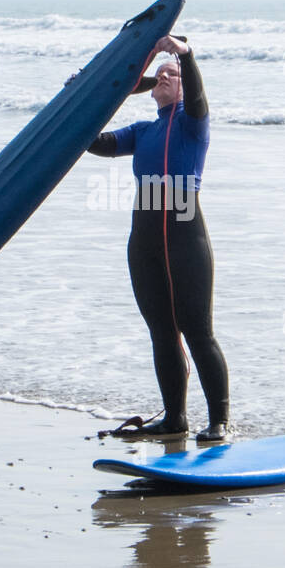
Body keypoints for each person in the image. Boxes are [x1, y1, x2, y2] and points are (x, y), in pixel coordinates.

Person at [87, 35, 230, 442]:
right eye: (160, 74)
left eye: (173, 75)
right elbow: (93, 141)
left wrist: (185, 54)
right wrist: (88, 93)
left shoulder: (193, 123)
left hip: (186, 234)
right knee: (162, 331)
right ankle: (174, 417)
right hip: (145, 237)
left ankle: (219, 420)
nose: (165, 77)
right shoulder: (143, 131)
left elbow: (199, 95)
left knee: (198, 330)